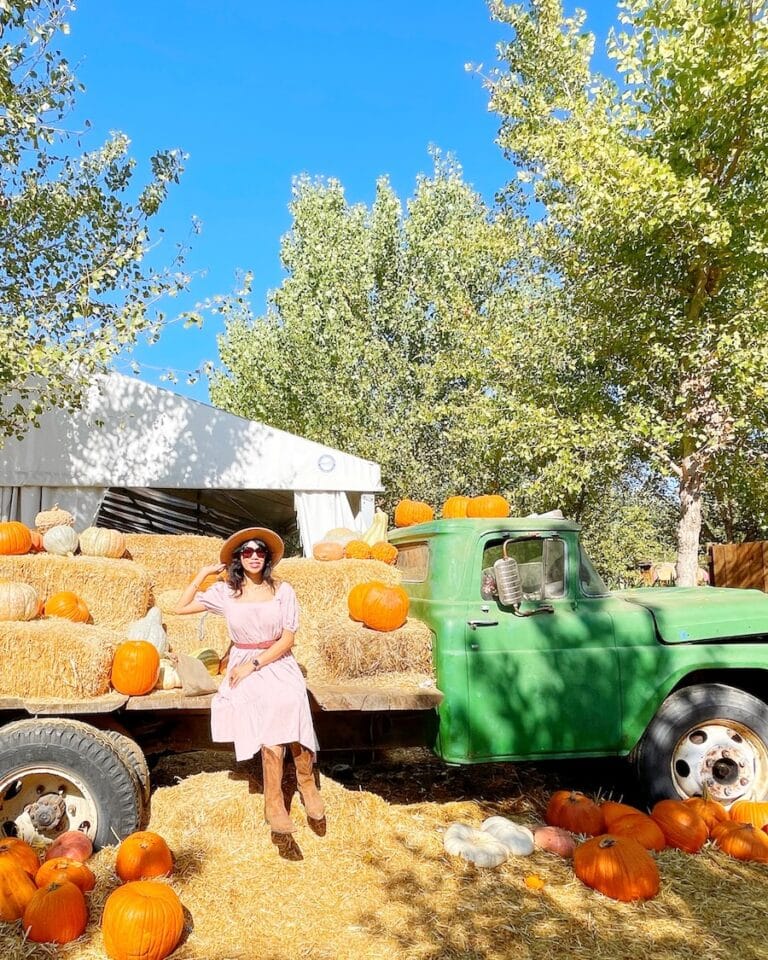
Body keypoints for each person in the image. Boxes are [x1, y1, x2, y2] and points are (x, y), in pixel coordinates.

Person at [174, 526, 324, 835]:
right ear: (238, 558)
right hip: (242, 661)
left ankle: (306, 782)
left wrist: (255, 664)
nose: (254, 556)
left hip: (276, 660)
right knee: (266, 704)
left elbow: (288, 639)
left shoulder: (283, 590)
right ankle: (274, 802)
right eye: (247, 551)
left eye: (260, 551)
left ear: (267, 557)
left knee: (292, 698)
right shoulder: (226, 592)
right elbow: (179, 607)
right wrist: (203, 574)